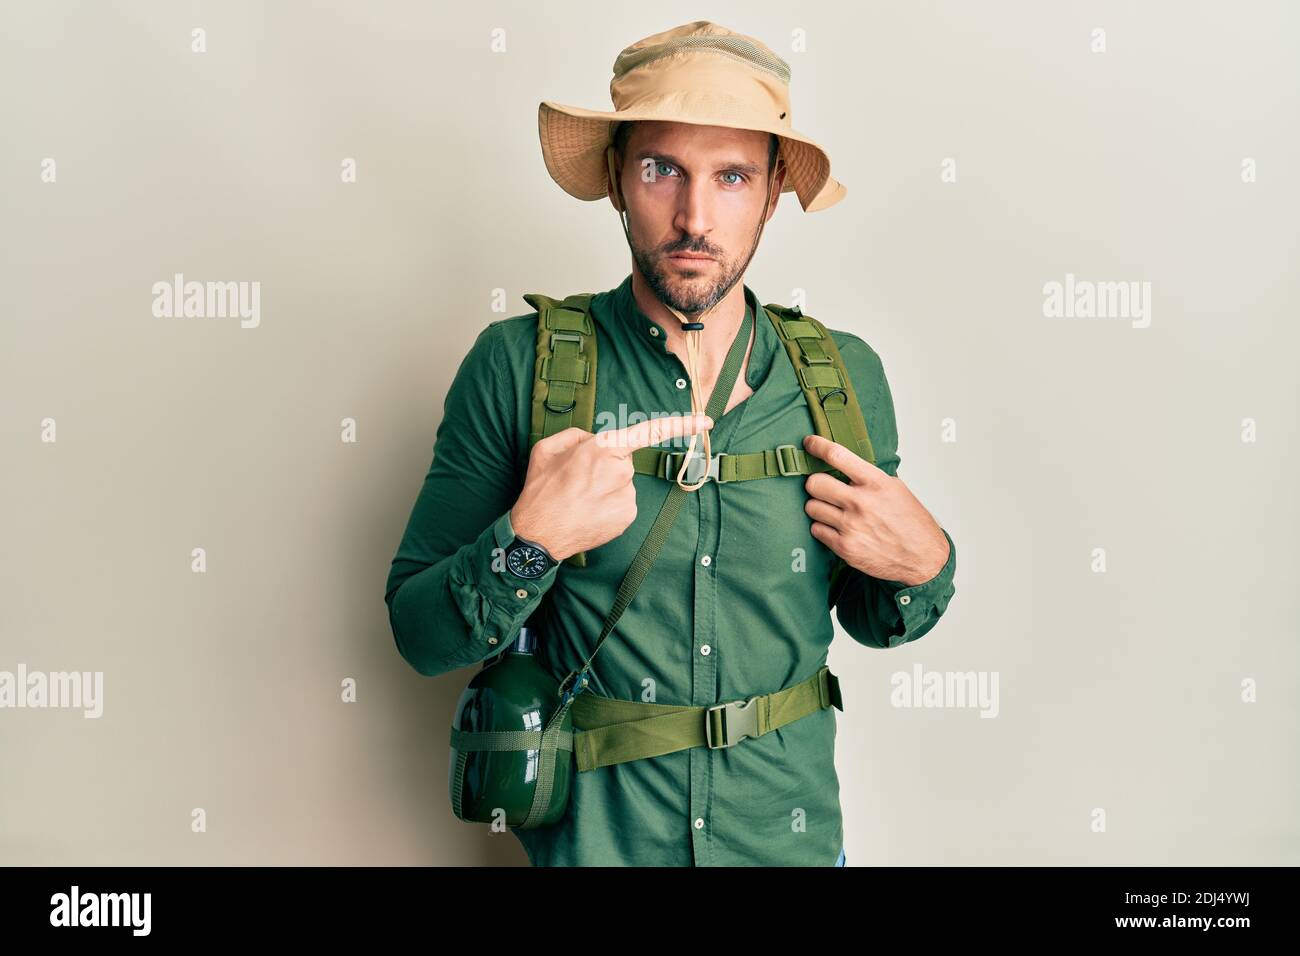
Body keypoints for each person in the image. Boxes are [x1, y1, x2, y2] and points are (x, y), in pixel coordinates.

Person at [385, 20, 956, 867]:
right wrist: (528, 546)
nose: (695, 215)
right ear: (618, 180)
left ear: (770, 195)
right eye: (662, 170)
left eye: (731, 176)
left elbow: (876, 617)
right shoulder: (519, 366)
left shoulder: (843, 377)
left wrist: (928, 566)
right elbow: (420, 633)